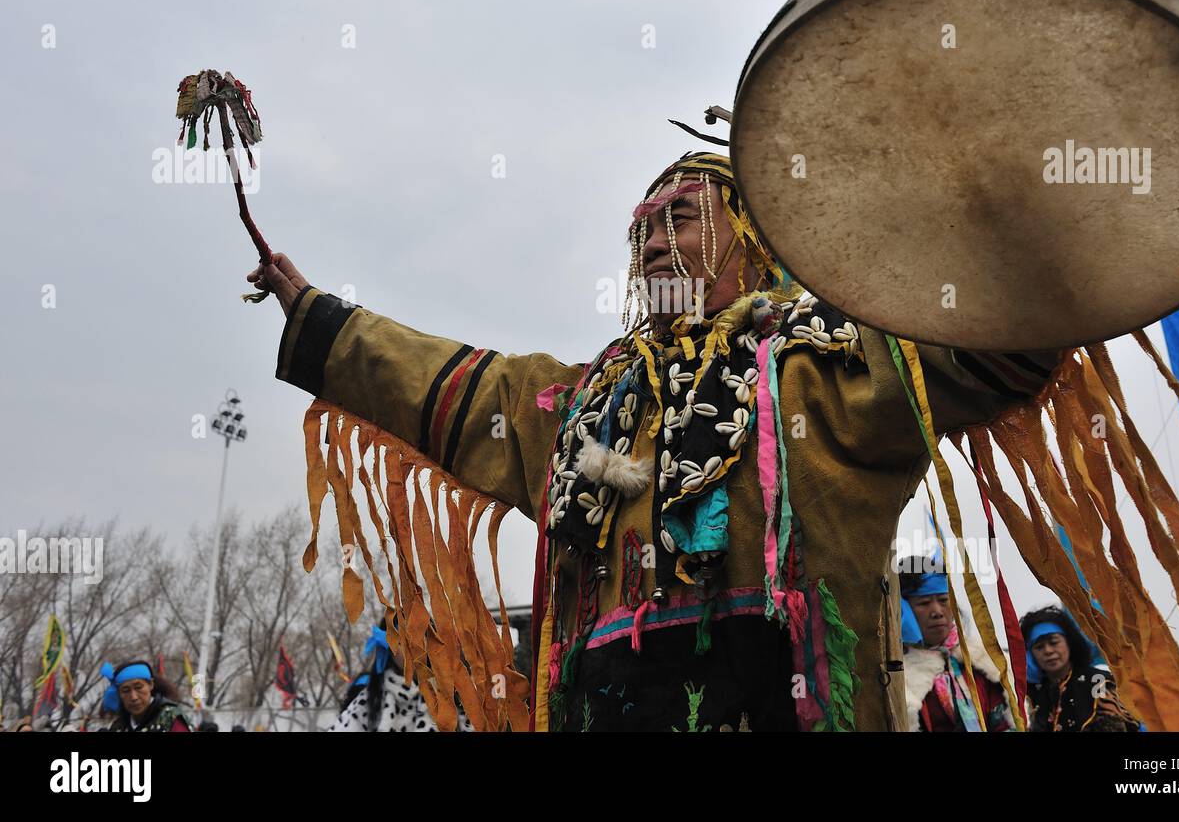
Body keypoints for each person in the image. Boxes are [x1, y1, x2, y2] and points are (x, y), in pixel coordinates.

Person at [251, 151, 1062, 731]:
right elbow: (464, 388)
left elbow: (977, 348)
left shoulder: (822, 368)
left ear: (750, 240)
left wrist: (1025, 225)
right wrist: (324, 321)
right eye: (642, 228)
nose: (653, 242)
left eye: (680, 217)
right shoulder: (579, 404)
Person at [899, 567, 1014, 732]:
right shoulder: (900, 676)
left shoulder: (986, 661)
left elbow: (1007, 722)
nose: (937, 612)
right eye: (924, 603)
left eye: (944, 600)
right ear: (905, 611)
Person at [1020, 606, 1137, 732]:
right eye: (1039, 647)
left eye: (1054, 642)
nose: (1048, 651)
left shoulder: (1098, 681)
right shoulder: (1031, 694)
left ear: (1069, 642)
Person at [330, 622, 437, 732]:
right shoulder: (370, 699)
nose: (412, 649)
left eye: (420, 640)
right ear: (389, 648)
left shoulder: (446, 693)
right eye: (401, 642)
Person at [101, 660, 194, 733]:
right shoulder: (119, 726)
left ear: (151, 684)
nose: (134, 697)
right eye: (126, 691)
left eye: (138, 687)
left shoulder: (171, 718)